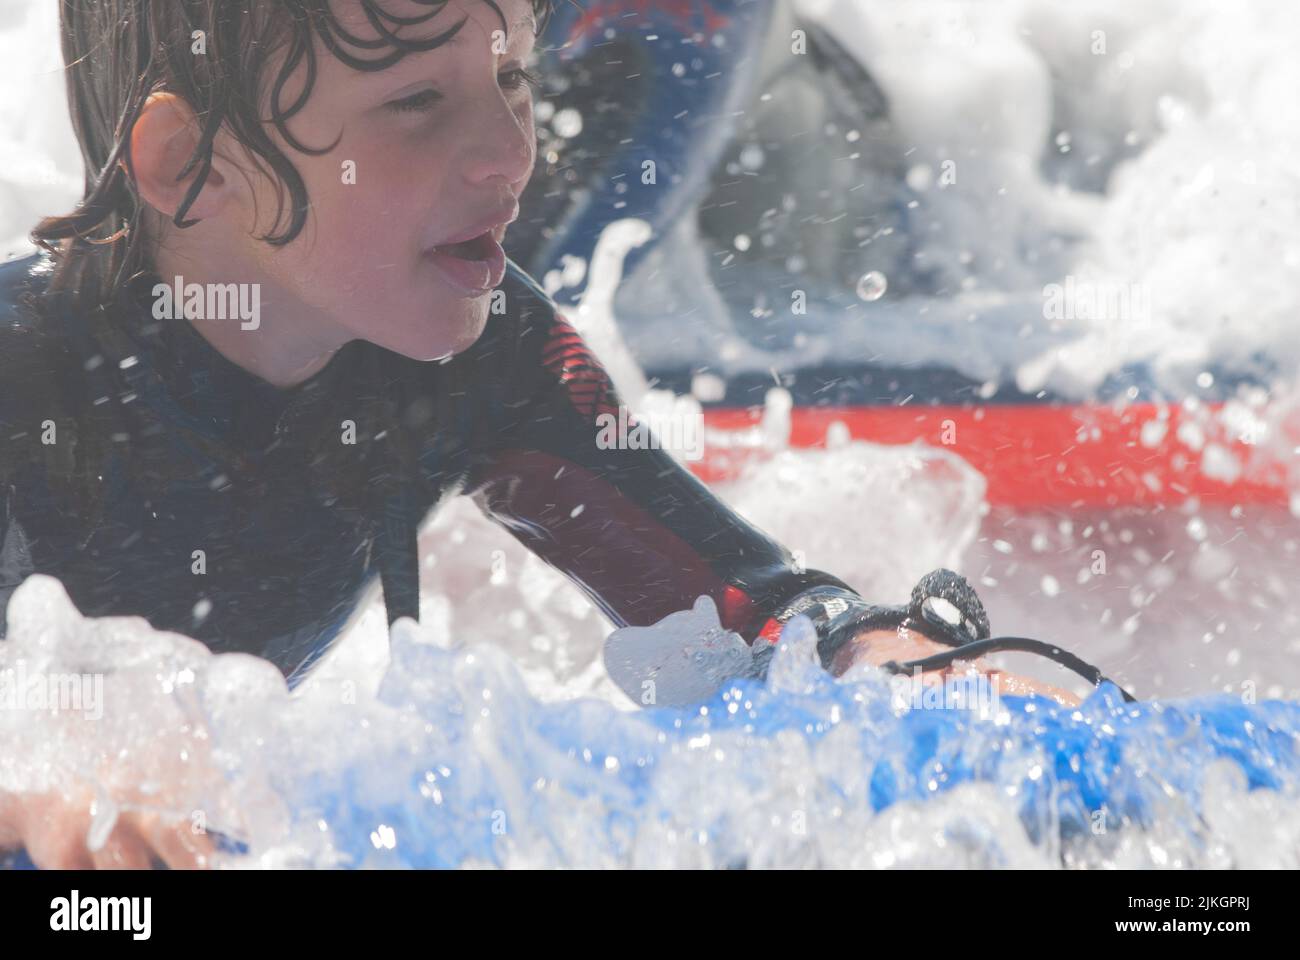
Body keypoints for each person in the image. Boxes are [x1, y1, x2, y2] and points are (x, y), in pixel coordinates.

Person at [0, 0, 1115, 869]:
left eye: (512, 77)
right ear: (189, 165)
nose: (509, 154)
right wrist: (47, 799)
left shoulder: (474, 355)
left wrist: (885, 659)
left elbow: (739, 614)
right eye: (416, 104)